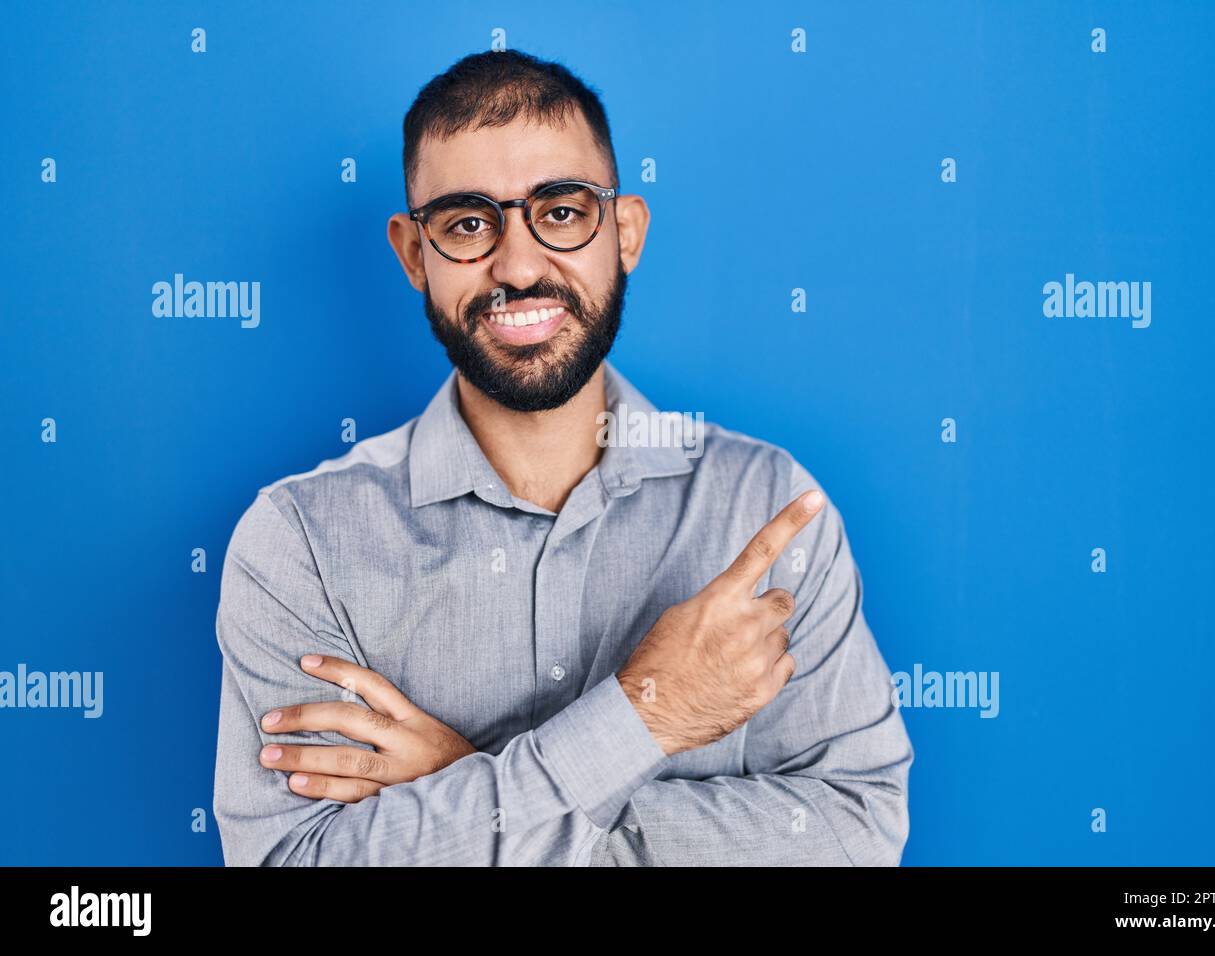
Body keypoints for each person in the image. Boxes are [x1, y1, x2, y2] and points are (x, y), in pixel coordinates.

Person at [212, 49, 913, 866]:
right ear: (413, 255)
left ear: (625, 233)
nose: (517, 265)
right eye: (468, 224)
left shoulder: (766, 508)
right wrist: (646, 716)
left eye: (562, 210)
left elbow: (856, 835)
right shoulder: (301, 542)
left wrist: (465, 782)